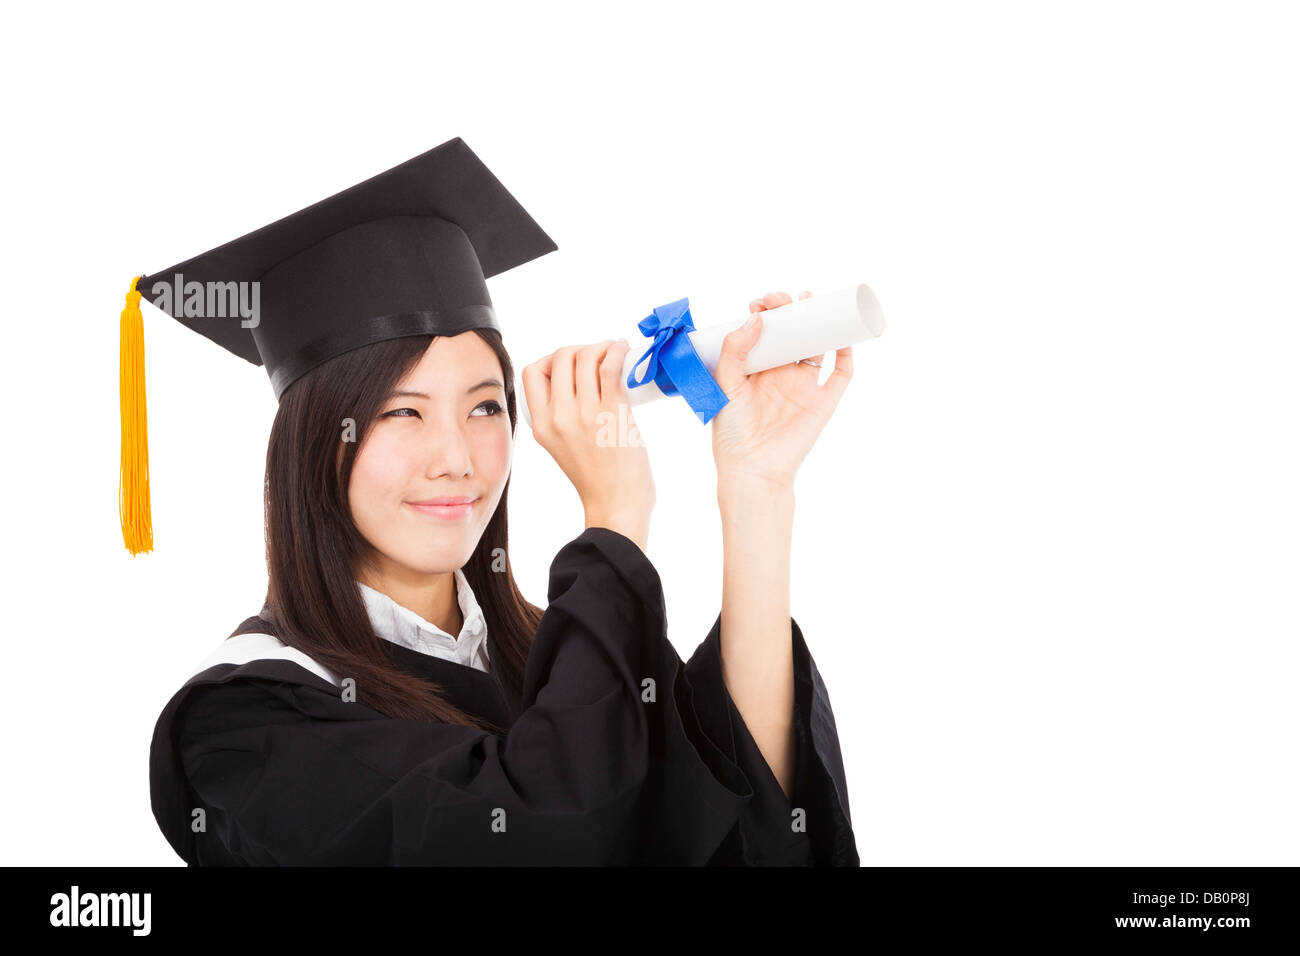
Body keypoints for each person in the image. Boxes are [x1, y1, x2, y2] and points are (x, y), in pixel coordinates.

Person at [138, 139, 859, 865]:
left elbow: (747, 826)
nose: (456, 459)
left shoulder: (560, 649)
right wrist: (613, 519)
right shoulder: (245, 720)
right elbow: (542, 838)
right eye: (401, 413)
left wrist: (757, 488)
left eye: (485, 409)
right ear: (317, 442)